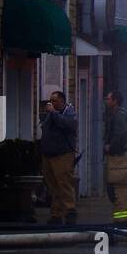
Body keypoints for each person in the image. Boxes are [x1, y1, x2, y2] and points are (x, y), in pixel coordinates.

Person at [39, 90, 78, 225]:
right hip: (49, 154)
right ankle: (56, 213)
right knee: (53, 186)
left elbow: (68, 125)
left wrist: (53, 113)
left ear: (62, 101)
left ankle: (70, 211)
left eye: (54, 100)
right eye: (50, 100)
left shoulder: (69, 112)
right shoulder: (50, 114)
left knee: (64, 183)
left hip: (63, 154)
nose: (51, 103)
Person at [103, 90, 127, 224]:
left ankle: (122, 219)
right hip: (120, 157)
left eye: (109, 99)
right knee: (121, 188)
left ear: (115, 101)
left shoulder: (119, 116)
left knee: (116, 188)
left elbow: (122, 134)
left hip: (118, 158)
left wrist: (111, 146)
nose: (106, 101)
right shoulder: (120, 114)